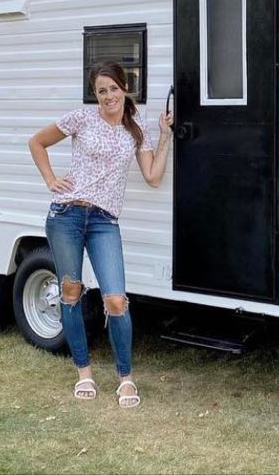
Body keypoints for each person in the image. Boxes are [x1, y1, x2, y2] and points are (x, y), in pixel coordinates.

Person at [27, 62, 173, 407]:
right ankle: (84, 373)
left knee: (116, 300)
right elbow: (36, 142)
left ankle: (125, 379)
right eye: (101, 91)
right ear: (95, 95)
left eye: (113, 88)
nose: (108, 96)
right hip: (66, 214)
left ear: (125, 88)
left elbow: (153, 176)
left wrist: (165, 136)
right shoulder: (82, 118)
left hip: (104, 221)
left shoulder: (135, 128)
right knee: (71, 291)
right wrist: (50, 180)